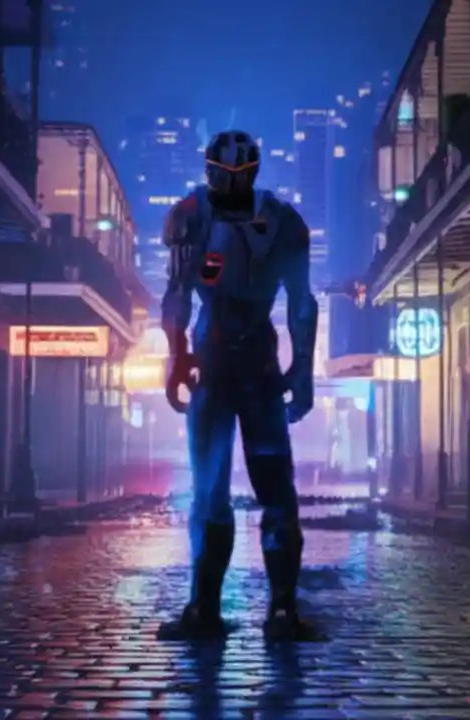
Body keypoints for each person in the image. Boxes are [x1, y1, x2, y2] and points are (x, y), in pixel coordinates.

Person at [158, 130, 317, 640]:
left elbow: (301, 303)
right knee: (213, 490)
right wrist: (178, 357)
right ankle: (223, 608)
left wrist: (304, 367)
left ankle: (273, 609)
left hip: (245, 364)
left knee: (262, 489)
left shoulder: (277, 222)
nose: (225, 184)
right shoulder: (196, 216)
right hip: (224, 361)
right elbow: (178, 296)